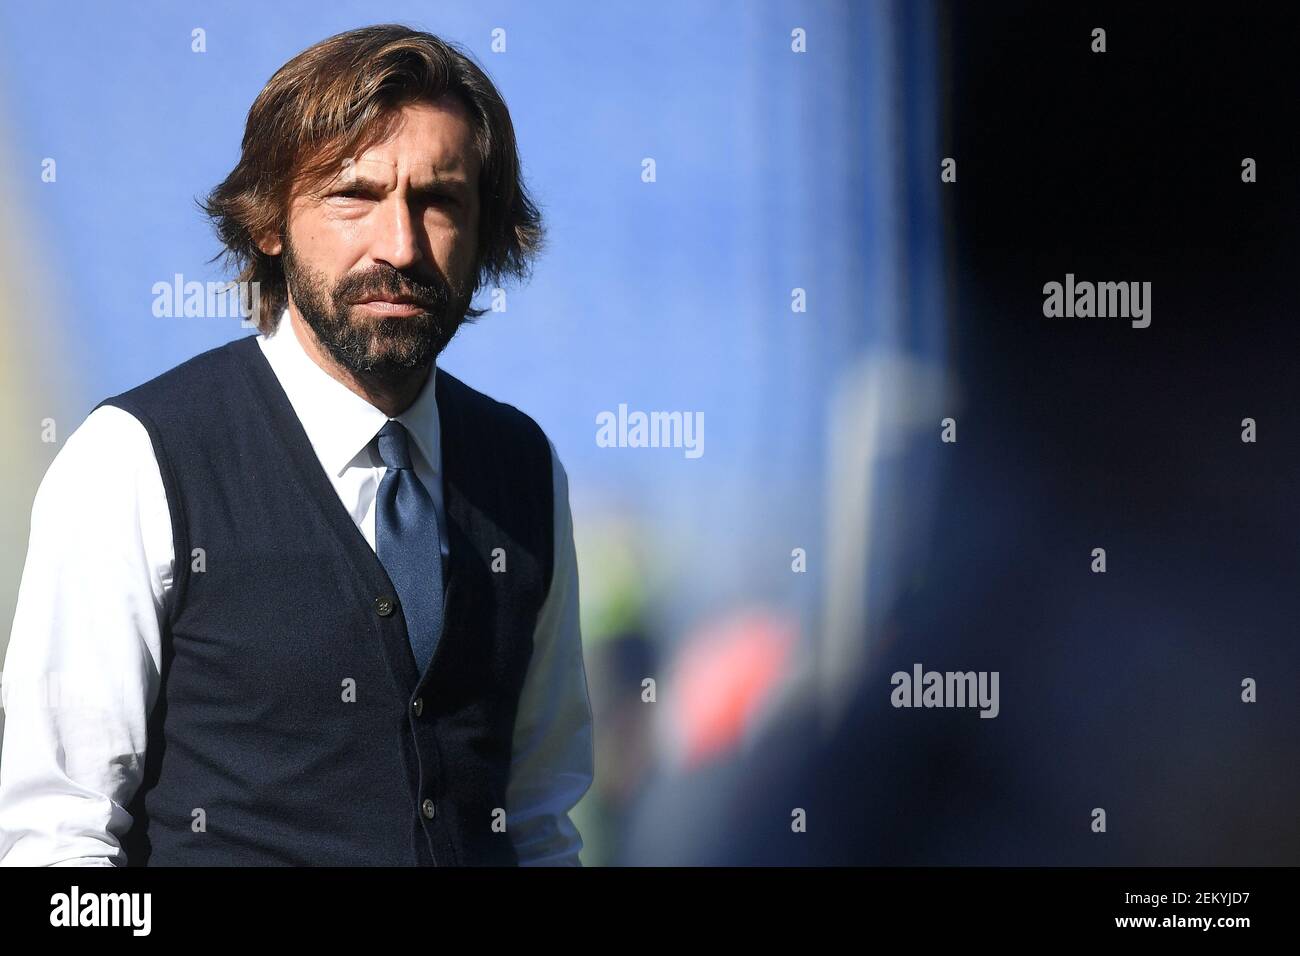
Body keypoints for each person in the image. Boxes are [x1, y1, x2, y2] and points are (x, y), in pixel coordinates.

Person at [0, 24, 593, 866]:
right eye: (354, 194)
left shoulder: (524, 469)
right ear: (270, 222)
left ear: (486, 228)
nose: (400, 245)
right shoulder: (135, 460)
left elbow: (538, 821)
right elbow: (55, 840)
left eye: (439, 200)